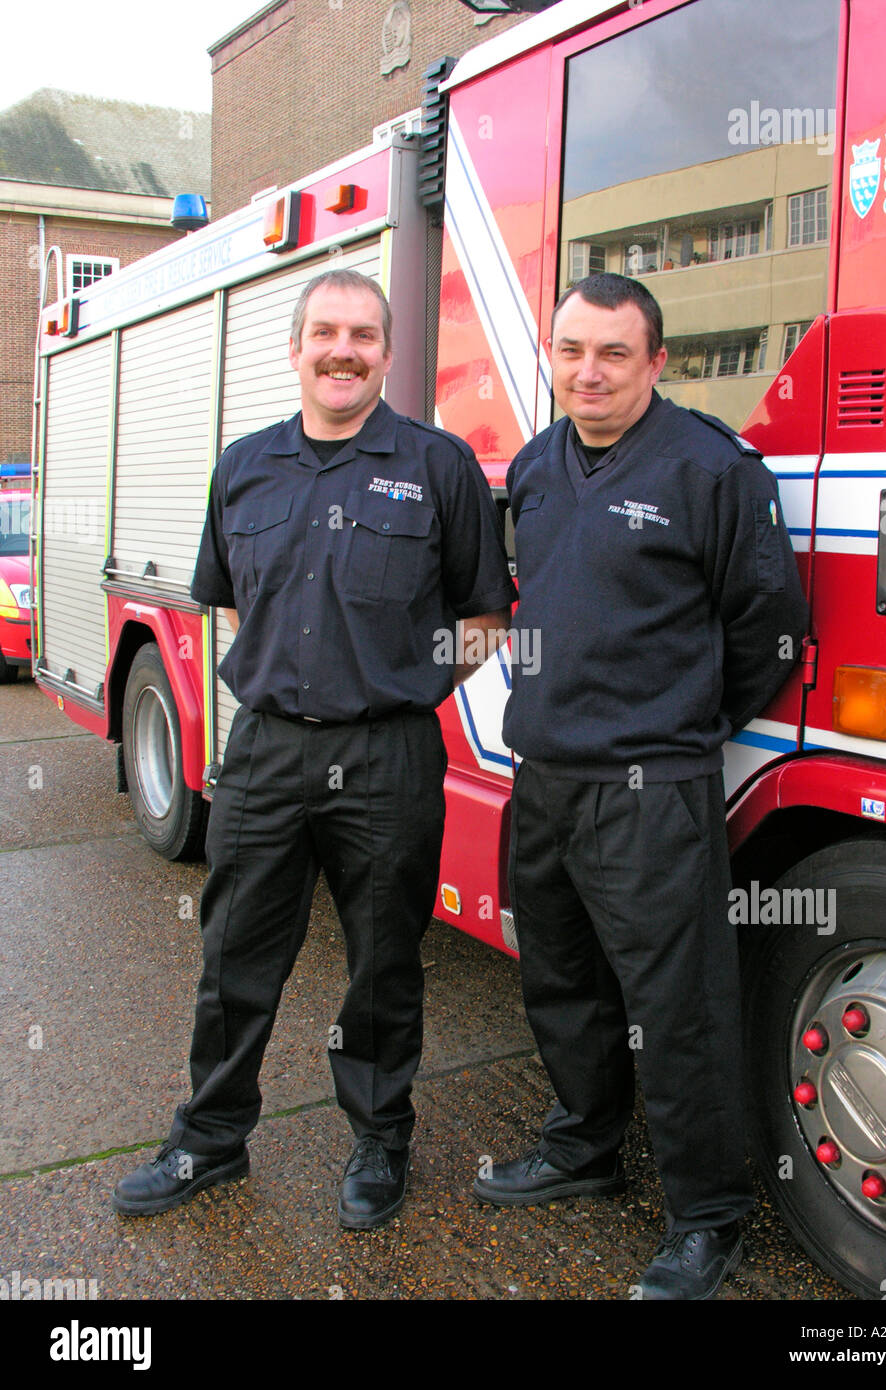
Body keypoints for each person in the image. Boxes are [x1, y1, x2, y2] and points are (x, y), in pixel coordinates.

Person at [114, 268, 516, 1229]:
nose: (344, 350)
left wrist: (400, 689)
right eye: (325, 332)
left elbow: (486, 617)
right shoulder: (244, 465)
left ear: (386, 352)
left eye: (364, 335)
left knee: (383, 962)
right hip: (265, 755)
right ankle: (209, 1141)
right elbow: (234, 600)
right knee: (234, 956)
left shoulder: (439, 465)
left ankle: (381, 1142)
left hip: (388, 760)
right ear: (294, 348)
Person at [474, 272, 808, 1299]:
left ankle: (707, 1216)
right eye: (571, 350)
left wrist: (682, 729)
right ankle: (582, 1146)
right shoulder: (533, 467)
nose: (588, 372)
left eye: (612, 353)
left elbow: (770, 633)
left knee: (678, 1009)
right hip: (546, 779)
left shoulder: (710, 469)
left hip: (649, 789)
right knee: (562, 980)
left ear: (655, 361)